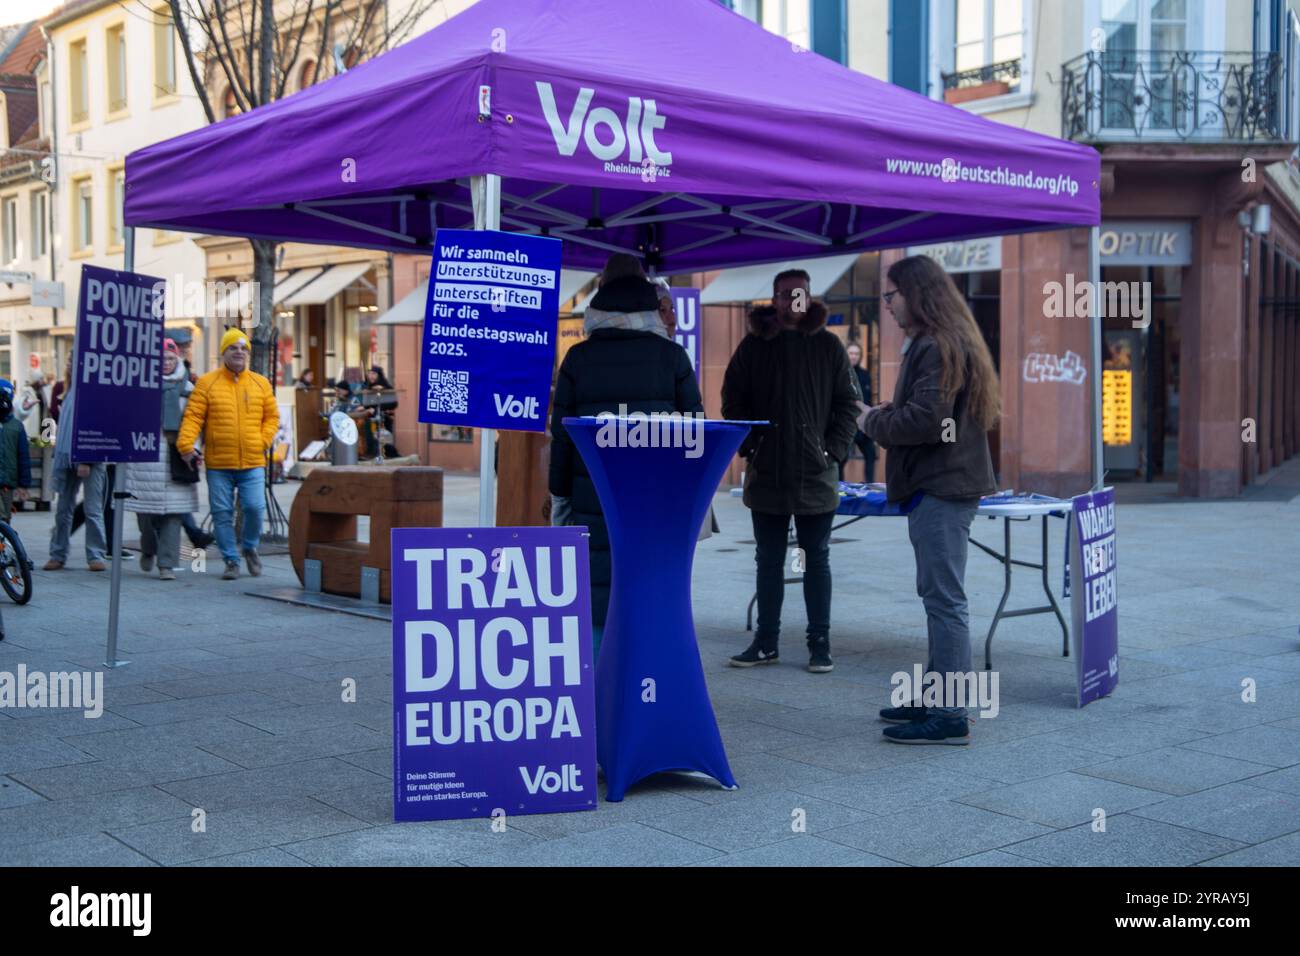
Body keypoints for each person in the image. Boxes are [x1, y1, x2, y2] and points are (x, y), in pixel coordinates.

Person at [861, 255, 999, 746]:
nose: (888, 304)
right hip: (943, 485)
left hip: (942, 486)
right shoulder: (943, 339)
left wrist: (871, 421)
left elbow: (927, 422)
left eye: (891, 295)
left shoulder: (937, 345)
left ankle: (949, 713)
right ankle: (941, 695)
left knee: (945, 601)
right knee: (939, 597)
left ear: (914, 294)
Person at [549, 254, 703, 654]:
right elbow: (696, 435)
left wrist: (559, 496)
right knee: (649, 583)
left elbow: (561, 436)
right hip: (655, 498)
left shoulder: (578, 359)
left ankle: (599, 681)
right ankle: (647, 676)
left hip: (591, 494)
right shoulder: (672, 357)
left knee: (597, 584)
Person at [722, 269, 859, 673]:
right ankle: (766, 641)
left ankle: (820, 643)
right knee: (768, 559)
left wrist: (831, 450)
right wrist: (752, 445)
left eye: (797, 294)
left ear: (808, 297)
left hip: (816, 474)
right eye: (783, 295)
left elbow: (849, 406)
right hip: (768, 472)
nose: (790, 302)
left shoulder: (829, 347)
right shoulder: (753, 346)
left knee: (816, 558)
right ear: (775, 299)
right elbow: (732, 401)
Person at [177, 328, 279, 580]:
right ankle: (231, 560)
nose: (239, 352)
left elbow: (272, 418)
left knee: (255, 507)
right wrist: (186, 445)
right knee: (222, 513)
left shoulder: (260, 383)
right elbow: (193, 416)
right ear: (223, 352)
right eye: (233, 348)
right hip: (218, 464)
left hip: (253, 461)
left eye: (244, 348)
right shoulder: (207, 383)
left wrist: (262, 441)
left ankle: (250, 546)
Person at [124, 342, 200, 581]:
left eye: (170, 358)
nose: (166, 363)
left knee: (174, 514)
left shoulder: (188, 388)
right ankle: (148, 548)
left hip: (177, 455)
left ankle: (166, 564)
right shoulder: (140, 387)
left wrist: (194, 449)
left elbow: (196, 421)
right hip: (145, 456)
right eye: (161, 359)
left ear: (177, 359)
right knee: (144, 514)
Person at [44, 370, 108, 572]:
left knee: (92, 509)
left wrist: (85, 460)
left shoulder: (94, 388)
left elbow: (96, 423)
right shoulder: (65, 388)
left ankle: (95, 555)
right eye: (70, 361)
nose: (72, 364)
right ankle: (57, 554)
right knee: (63, 509)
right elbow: (55, 416)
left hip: (91, 456)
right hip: (66, 454)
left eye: (75, 360)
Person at [840, 341, 877, 482]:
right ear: (846, 354)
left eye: (857, 354)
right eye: (851, 353)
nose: (854, 356)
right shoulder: (840, 374)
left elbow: (868, 400)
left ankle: (870, 485)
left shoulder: (865, 374)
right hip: (846, 424)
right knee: (841, 459)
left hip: (863, 424)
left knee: (871, 455)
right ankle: (839, 488)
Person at [0, 380, 32, 518]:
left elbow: (23, 457)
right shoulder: (17, 426)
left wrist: (23, 484)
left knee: (4, 518)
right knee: (3, 519)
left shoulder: (16, 427)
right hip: (8, 482)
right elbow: (24, 457)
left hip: (7, 484)